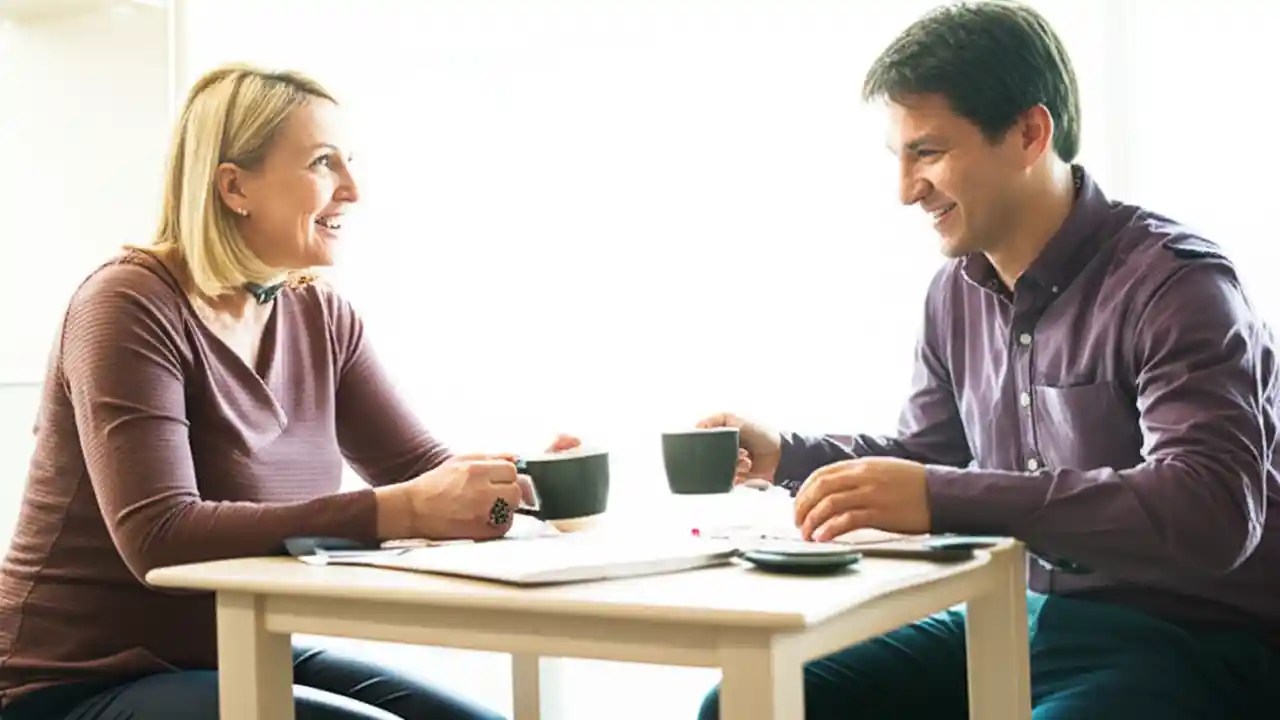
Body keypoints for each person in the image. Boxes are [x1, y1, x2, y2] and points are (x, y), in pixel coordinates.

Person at [697, 2, 1280, 718]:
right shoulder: (955, 295)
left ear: (1031, 133)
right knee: (748, 702)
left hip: (1190, 635)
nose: (907, 190)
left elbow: (1210, 511)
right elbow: (929, 456)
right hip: (1018, 613)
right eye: (901, 157)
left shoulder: (1176, 284)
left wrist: (941, 495)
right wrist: (785, 455)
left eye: (930, 153)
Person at [0, 63, 577, 720]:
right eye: (324, 163)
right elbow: (159, 534)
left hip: (232, 651)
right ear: (234, 186)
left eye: (350, 163)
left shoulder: (318, 315)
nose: (354, 190)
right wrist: (400, 511)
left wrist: (527, 484)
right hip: (76, 683)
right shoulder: (127, 306)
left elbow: (423, 477)